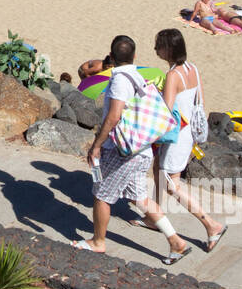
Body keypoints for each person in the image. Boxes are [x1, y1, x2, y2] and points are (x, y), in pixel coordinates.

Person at [75, 35, 193, 264]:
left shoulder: (119, 80)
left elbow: (113, 116)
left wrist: (96, 145)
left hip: (122, 151)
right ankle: (176, 243)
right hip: (142, 148)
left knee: (101, 196)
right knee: (141, 199)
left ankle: (98, 242)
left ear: (110, 56)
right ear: (135, 56)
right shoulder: (138, 76)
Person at [150, 29, 227, 250]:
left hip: (176, 136)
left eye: (159, 46)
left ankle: (211, 225)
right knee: (158, 169)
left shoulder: (173, 76)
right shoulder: (192, 68)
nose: (156, 50)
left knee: (172, 185)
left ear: (168, 49)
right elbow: (197, 100)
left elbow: (166, 109)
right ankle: (154, 215)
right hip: (189, 132)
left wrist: (155, 92)